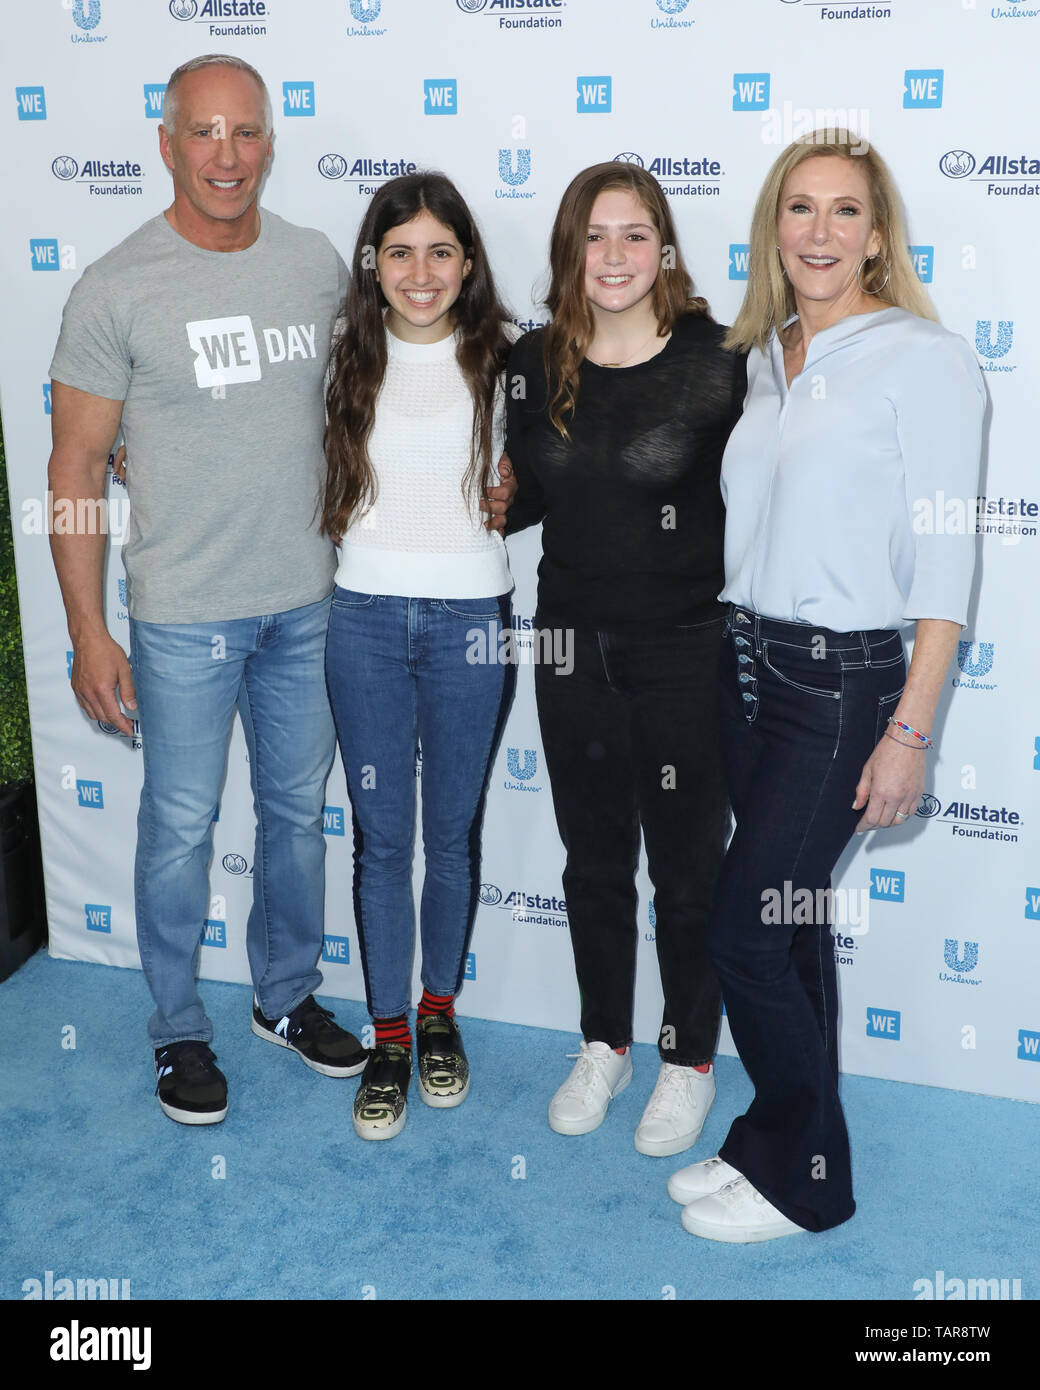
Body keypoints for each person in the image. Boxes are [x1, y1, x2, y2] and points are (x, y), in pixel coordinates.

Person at [670, 131, 986, 1241]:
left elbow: (945, 572)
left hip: (843, 683)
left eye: (841, 211)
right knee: (791, 926)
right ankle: (770, 1138)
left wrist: (911, 729)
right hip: (743, 667)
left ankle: (809, 1180)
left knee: (745, 933)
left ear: (875, 235)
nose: (816, 231)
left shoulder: (924, 358)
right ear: (772, 231)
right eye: (796, 209)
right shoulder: (767, 355)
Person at [46, 54, 371, 1125]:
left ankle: (285, 999)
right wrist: (91, 631)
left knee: (294, 818)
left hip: (307, 602)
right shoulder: (117, 287)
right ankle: (179, 1028)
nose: (226, 157)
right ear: (167, 143)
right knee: (180, 827)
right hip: (181, 615)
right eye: (204, 134)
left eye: (245, 134)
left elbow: (375, 391)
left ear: (270, 144)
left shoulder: (318, 265)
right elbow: (76, 470)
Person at [504, 163, 746, 1156]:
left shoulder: (720, 360)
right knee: (592, 863)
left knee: (687, 874)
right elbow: (525, 496)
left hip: (685, 650)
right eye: (594, 236)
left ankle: (686, 1058)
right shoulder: (530, 360)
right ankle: (601, 1040)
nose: (613, 256)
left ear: (665, 248)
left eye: (634, 234)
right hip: (566, 645)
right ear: (570, 250)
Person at [323, 173, 516, 1141]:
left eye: (441, 250)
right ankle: (388, 1033)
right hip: (359, 617)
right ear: (373, 263)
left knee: (451, 835)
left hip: (471, 621)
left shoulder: (508, 361)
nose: (420, 270)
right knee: (381, 841)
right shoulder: (340, 356)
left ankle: (438, 1015)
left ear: (468, 262)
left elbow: (582, 457)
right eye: (399, 251)